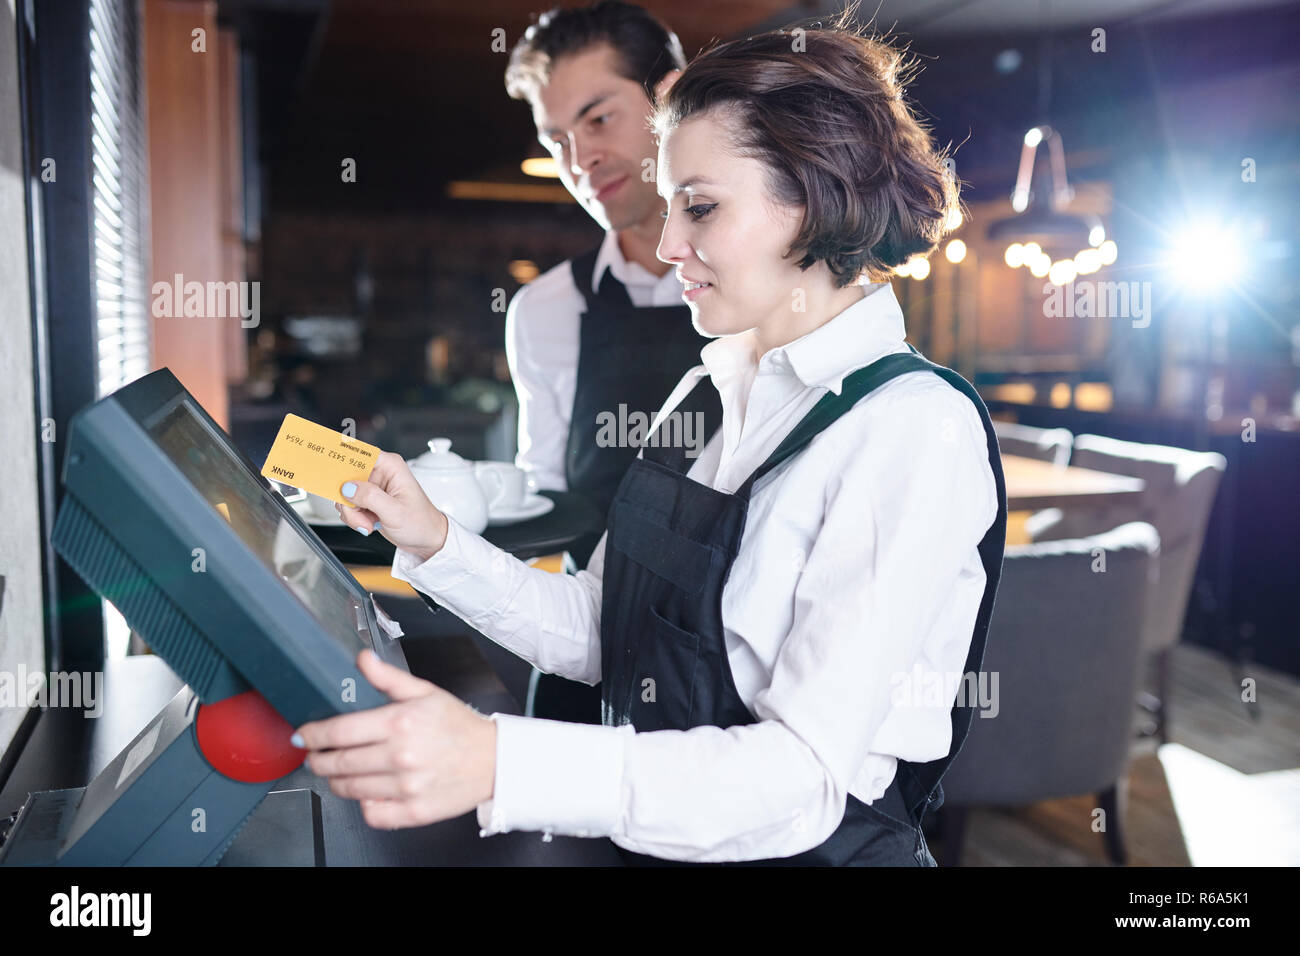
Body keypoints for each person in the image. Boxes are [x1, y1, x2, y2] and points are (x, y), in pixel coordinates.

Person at [296, 20, 1007, 866]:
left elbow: (800, 778)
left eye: (700, 207)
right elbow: (606, 631)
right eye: (672, 208)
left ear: (815, 199)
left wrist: (498, 761)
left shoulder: (911, 429)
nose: (669, 246)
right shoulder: (708, 388)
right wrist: (436, 541)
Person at [501, 2, 705, 723]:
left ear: (670, 99)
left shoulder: (763, 290)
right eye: (557, 139)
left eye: (598, 118)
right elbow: (544, 492)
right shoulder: (542, 312)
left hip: (734, 669)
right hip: (591, 651)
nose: (579, 159)